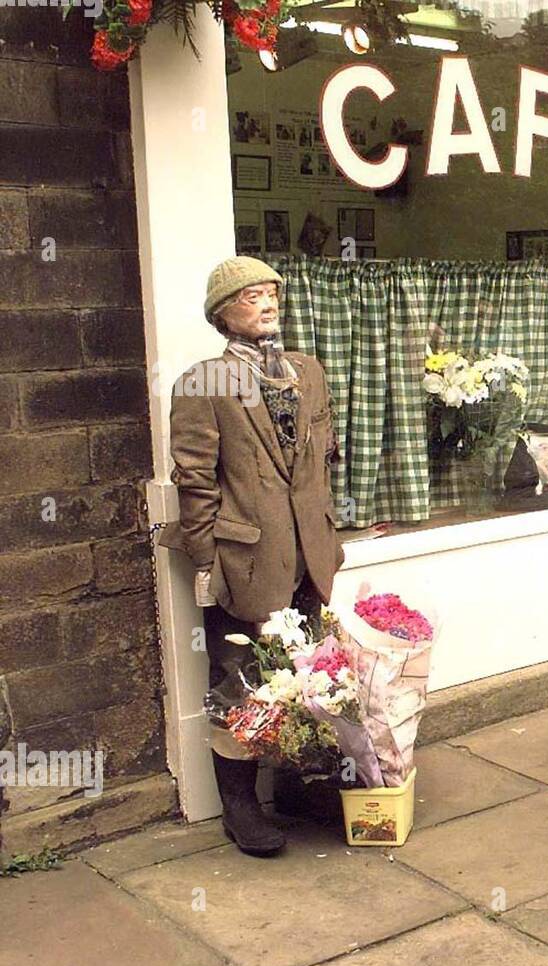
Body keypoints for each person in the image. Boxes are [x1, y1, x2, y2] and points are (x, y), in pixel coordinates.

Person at [159, 257, 346, 857]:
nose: (266, 305)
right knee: (238, 681)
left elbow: (320, 462)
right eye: (250, 298)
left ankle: (299, 787)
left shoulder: (308, 373)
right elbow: (194, 480)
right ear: (222, 314)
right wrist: (208, 559)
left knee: (308, 674)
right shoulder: (202, 382)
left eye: (271, 294)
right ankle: (240, 807)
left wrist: (328, 533)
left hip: (309, 554)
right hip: (245, 557)